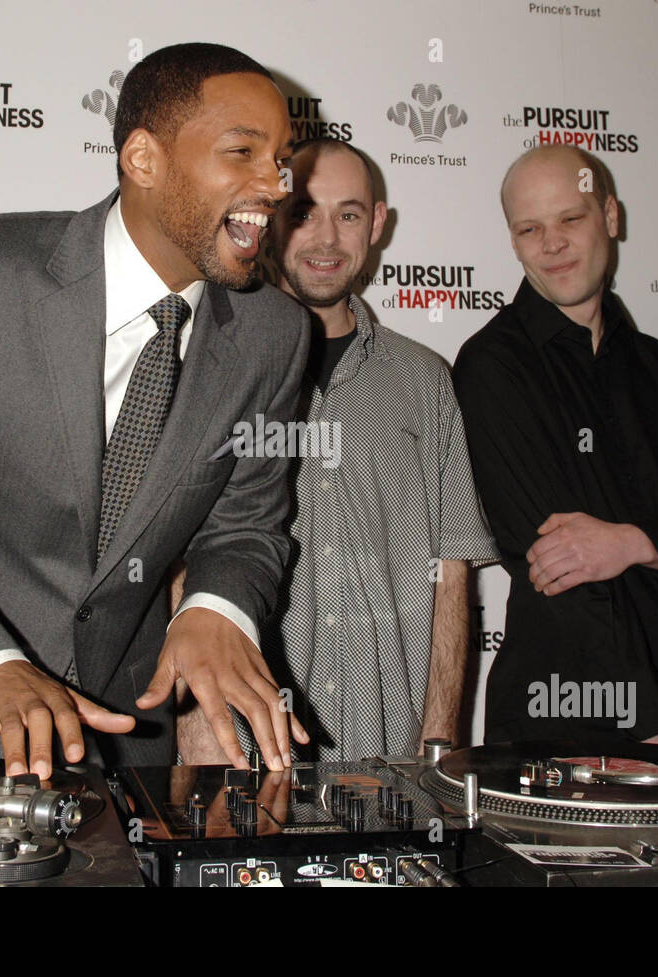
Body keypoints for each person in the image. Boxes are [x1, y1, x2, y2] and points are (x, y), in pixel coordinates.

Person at [0, 43, 312, 776]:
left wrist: (214, 609)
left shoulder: (274, 331)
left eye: (281, 159)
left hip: (122, 749)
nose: (275, 183)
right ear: (144, 158)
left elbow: (246, 524)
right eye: (243, 152)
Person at [177, 138, 497, 763]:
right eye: (304, 213)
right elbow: (177, 560)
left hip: (388, 755)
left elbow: (452, 572)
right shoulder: (211, 365)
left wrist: (438, 744)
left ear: (376, 224)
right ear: (272, 220)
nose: (326, 239)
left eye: (347, 215)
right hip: (240, 749)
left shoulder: (423, 380)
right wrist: (196, 738)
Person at [452, 144, 658, 751]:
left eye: (571, 219)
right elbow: (554, 563)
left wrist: (630, 542)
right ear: (513, 242)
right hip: (573, 706)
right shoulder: (492, 366)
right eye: (529, 229)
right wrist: (649, 724)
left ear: (610, 216)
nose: (552, 244)